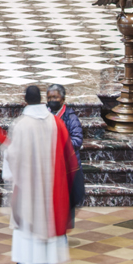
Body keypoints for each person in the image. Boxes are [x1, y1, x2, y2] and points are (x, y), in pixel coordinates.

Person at [0, 81, 70, 264]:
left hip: (29, 184)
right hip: (51, 182)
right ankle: (47, 257)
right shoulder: (55, 122)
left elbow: (14, 155)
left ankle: (29, 260)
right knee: (46, 216)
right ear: (41, 99)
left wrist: (4, 145)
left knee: (29, 217)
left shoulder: (21, 124)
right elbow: (66, 151)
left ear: (25, 100)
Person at [46, 78, 86, 234]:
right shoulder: (45, 115)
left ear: (62, 99)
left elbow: (77, 140)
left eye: (55, 97)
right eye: (49, 97)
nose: (52, 100)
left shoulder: (70, 117)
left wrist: (61, 143)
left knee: (67, 199)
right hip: (52, 165)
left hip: (67, 165)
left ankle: (63, 229)